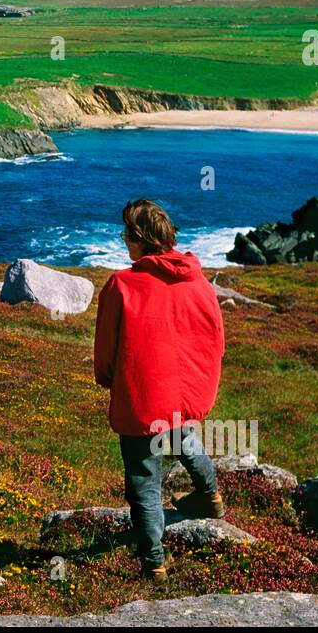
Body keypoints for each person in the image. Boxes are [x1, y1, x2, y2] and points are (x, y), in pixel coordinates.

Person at [93, 199, 226, 582]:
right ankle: (210, 495)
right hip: (182, 393)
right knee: (184, 437)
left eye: (126, 235)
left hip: (143, 396)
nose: (123, 241)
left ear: (139, 239)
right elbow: (214, 338)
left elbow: (106, 349)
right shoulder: (197, 280)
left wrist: (108, 377)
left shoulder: (123, 285)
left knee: (143, 482)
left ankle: (155, 565)